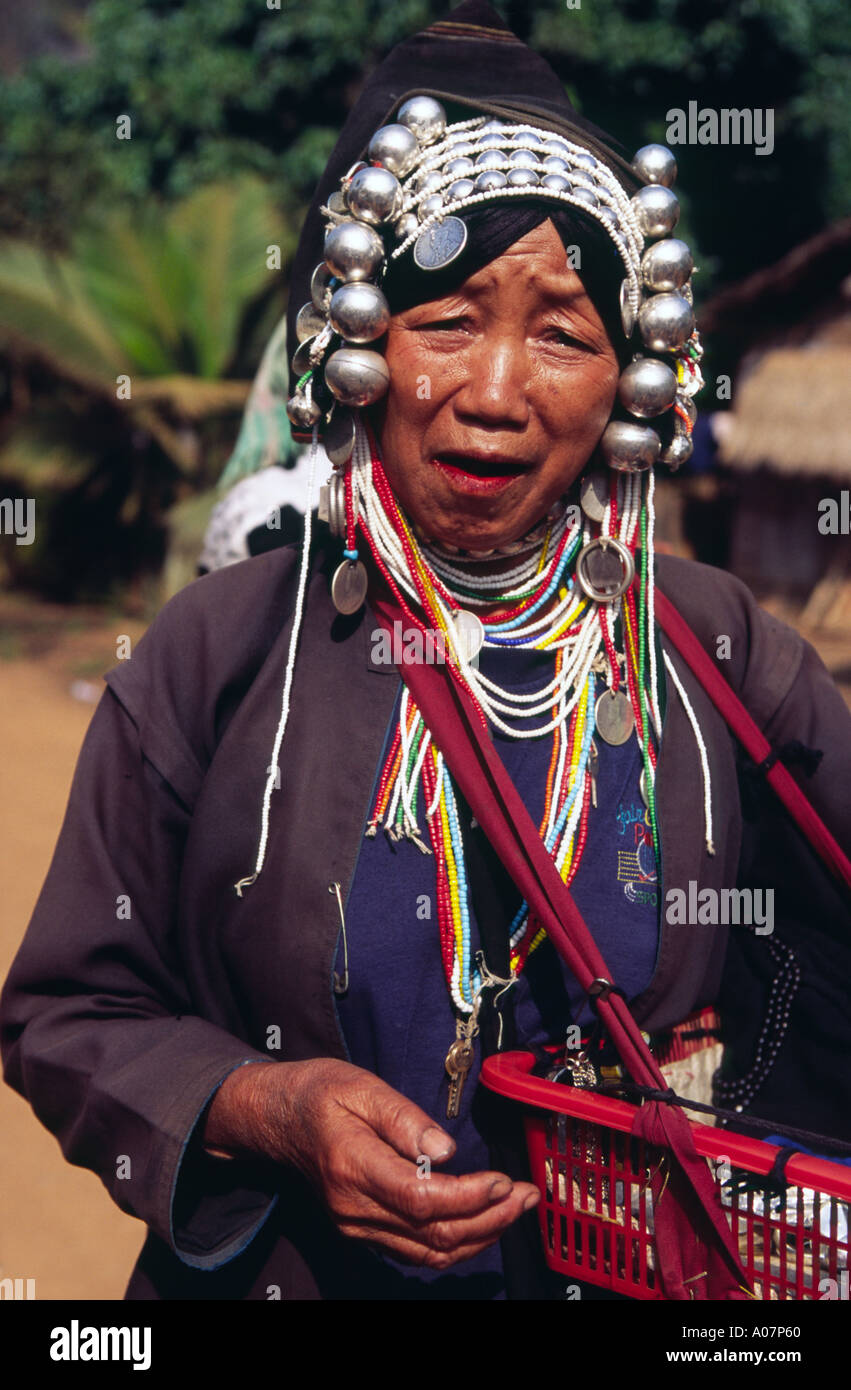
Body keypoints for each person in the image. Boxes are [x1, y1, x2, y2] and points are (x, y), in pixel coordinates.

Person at [2, 1, 849, 1302]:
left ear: (628, 380)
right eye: (447, 319)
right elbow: (66, 1010)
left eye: (564, 331)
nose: (498, 390)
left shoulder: (716, 648)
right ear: (361, 349)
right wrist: (263, 1105)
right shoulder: (225, 652)